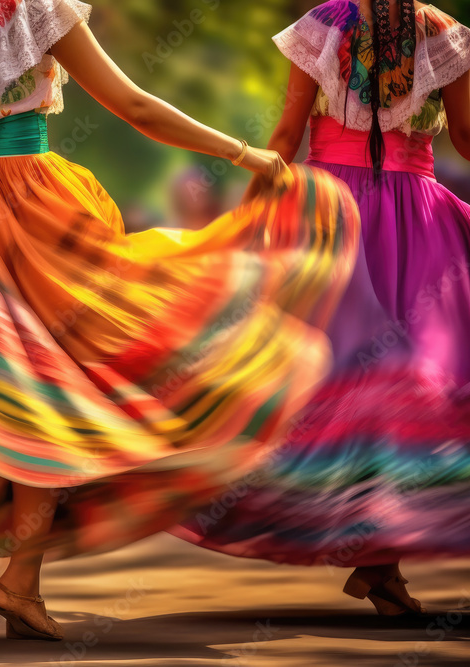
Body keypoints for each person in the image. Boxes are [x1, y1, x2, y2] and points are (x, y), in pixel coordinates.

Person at [0, 0, 360, 641]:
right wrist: (244, 153)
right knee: (50, 388)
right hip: (34, 209)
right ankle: (18, 579)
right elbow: (134, 107)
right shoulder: (41, 10)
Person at [174, 0, 470, 617]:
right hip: (419, 217)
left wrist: (246, 220)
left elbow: (285, 135)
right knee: (424, 382)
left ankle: (377, 560)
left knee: (335, 377)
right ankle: (380, 561)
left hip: (328, 215)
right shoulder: (442, 32)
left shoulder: (324, 24)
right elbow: (467, 141)